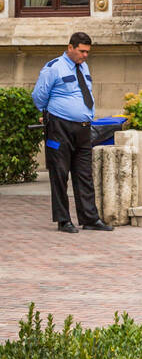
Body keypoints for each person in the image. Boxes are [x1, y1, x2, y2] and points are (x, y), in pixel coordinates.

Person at [32, 32, 113, 234]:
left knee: (84, 174)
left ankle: (89, 218)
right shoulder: (53, 68)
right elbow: (39, 97)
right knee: (59, 173)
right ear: (70, 48)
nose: (85, 55)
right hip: (60, 127)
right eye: (82, 51)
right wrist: (50, 113)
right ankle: (63, 220)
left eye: (87, 52)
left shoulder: (83, 67)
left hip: (83, 128)